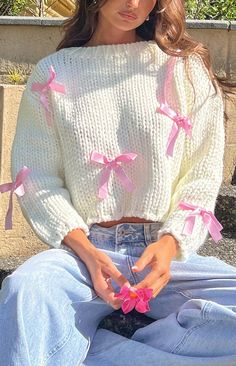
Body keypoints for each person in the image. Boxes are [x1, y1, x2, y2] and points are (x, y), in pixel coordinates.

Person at [0, 0, 236, 364]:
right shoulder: (53, 73)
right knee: (25, 291)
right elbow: (39, 180)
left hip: (165, 253)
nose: (133, 3)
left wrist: (171, 244)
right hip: (84, 254)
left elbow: (202, 173)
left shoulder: (184, 70)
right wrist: (89, 254)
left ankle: (109, 353)